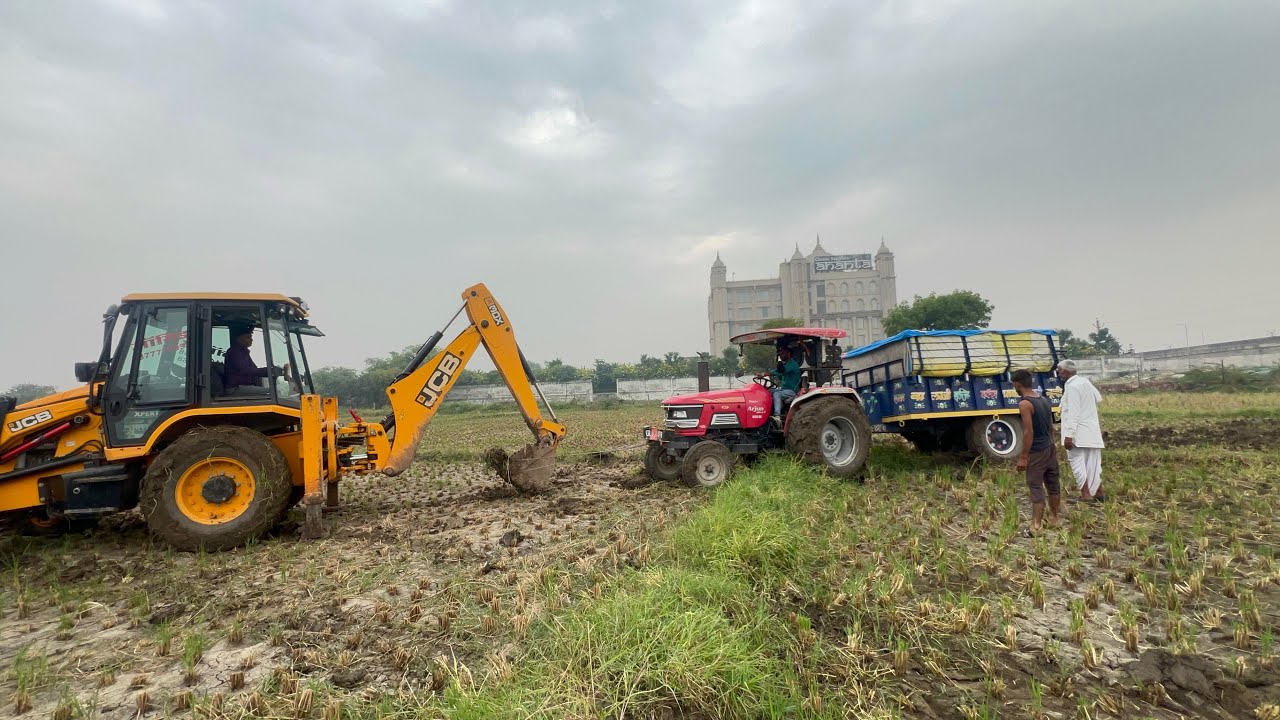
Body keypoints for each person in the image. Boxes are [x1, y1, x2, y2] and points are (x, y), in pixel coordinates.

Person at [1013, 369, 1060, 535]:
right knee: (1052, 483)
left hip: (1037, 451)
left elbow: (1028, 432)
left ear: (1017, 384)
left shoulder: (1024, 404)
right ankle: (1054, 518)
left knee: (1035, 485)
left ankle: (1036, 525)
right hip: (1049, 448)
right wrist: (1052, 445)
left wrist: (1024, 457)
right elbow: (1050, 427)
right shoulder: (1044, 400)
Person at [1056, 359, 1105, 503]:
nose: (1057, 373)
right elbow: (1098, 398)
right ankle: (1099, 493)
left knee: (1077, 462)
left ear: (1065, 371)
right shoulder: (1085, 382)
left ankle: (1086, 495)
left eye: (1059, 370)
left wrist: (1069, 436)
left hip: (1078, 432)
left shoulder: (1072, 387)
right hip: (1091, 430)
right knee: (1093, 464)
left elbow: (1073, 413)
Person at [223, 324, 284, 390]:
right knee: (274, 393)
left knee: (275, 392)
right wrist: (268, 370)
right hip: (236, 388)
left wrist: (271, 371)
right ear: (239, 339)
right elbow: (245, 371)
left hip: (243, 386)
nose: (252, 340)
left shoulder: (243, 351)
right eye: (248, 337)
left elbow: (253, 370)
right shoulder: (235, 352)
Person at [757, 345, 801, 419]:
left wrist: (764, 374)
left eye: (782, 353)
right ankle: (765, 412)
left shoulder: (792, 364)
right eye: (780, 354)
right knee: (766, 391)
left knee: (777, 394)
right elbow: (780, 375)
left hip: (792, 391)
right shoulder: (785, 365)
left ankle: (777, 416)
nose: (780, 356)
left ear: (788, 353)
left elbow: (780, 372)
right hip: (783, 390)